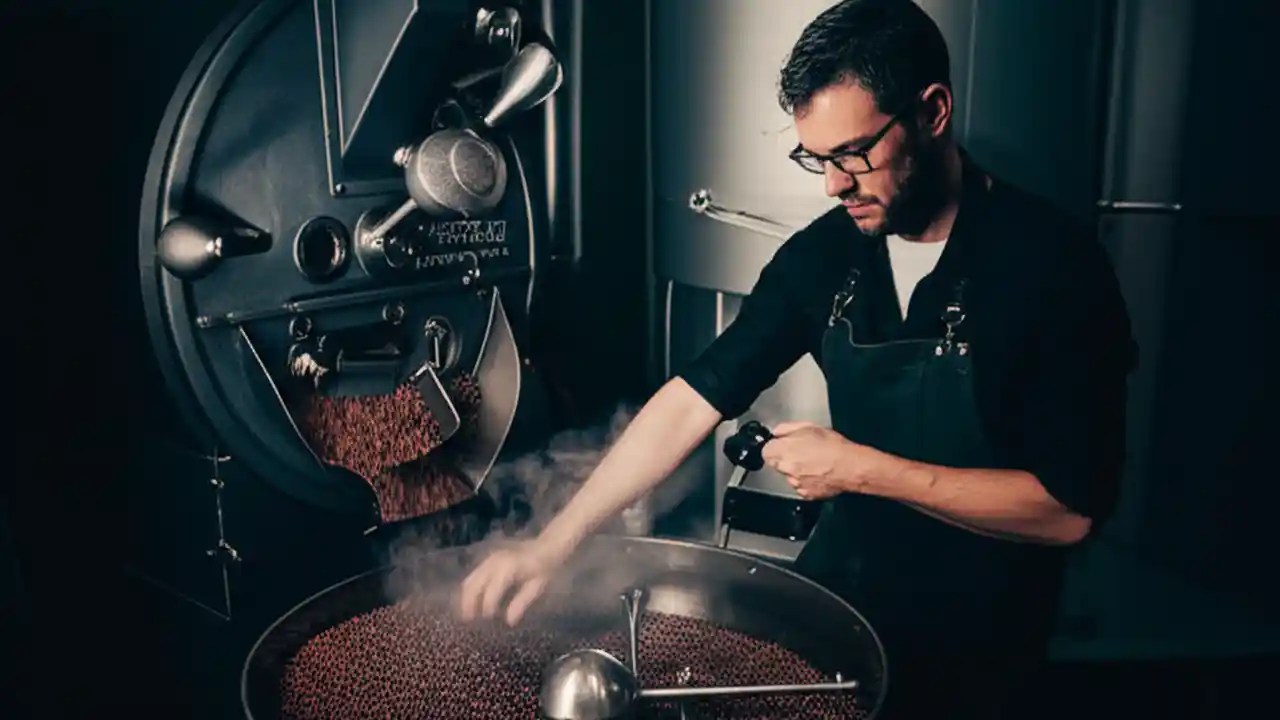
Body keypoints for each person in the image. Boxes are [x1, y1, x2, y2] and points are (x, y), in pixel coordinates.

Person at [459, 0, 1136, 716]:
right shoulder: (825, 256)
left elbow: (1067, 512)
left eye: (853, 154)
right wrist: (552, 543)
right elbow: (694, 398)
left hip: (985, 635)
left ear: (933, 112)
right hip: (844, 603)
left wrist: (859, 469)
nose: (833, 184)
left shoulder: (1053, 266)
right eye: (817, 158)